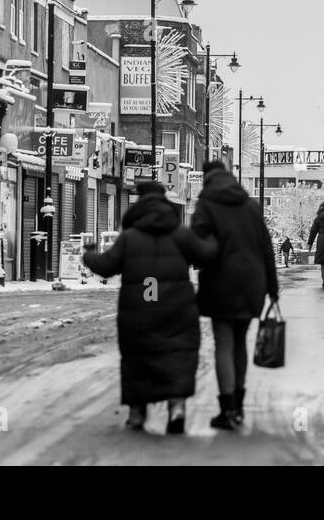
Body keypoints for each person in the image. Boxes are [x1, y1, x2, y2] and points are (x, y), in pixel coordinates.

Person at [83, 181, 216, 434]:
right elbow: (206, 254)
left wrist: (88, 254)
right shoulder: (180, 234)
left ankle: (137, 412)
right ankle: (176, 407)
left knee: (138, 356)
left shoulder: (129, 238)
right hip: (176, 307)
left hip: (139, 308)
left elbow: (105, 265)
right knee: (176, 354)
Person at [192, 159, 278, 430]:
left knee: (224, 343)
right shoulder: (250, 206)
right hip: (252, 282)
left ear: (208, 179)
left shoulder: (206, 206)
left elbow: (197, 246)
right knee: (240, 342)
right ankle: (238, 407)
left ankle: (227, 408)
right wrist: (273, 289)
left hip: (220, 281)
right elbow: (267, 248)